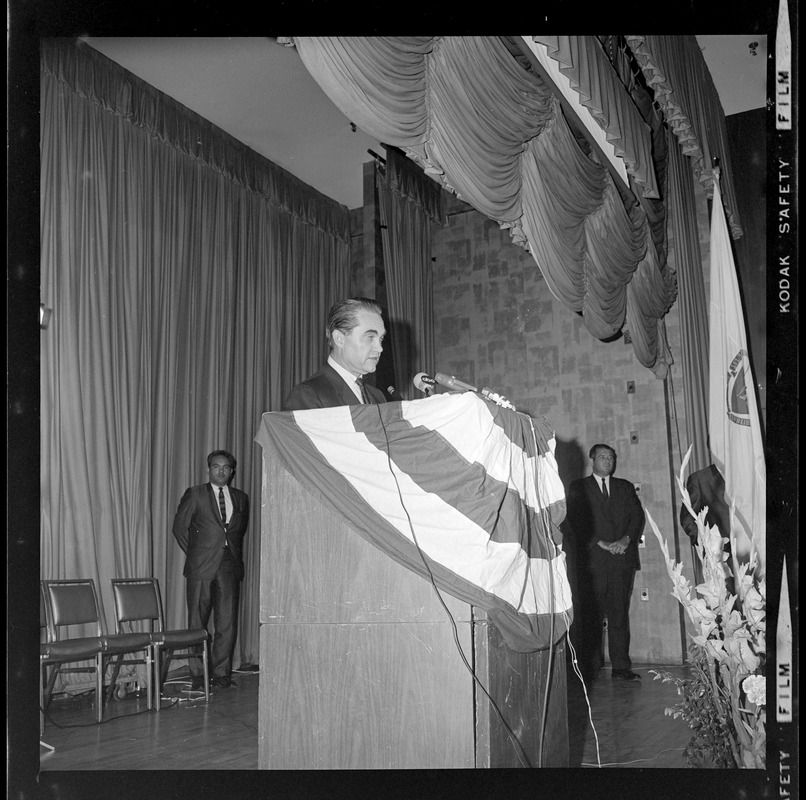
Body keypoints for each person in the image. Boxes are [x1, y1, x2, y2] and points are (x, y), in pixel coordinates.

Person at [565, 444, 644, 683]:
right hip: (593, 562)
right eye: (602, 457)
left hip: (622, 560)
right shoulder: (579, 487)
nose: (608, 461)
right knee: (592, 615)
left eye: (611, 457)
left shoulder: (625, 487)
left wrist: (625, 540)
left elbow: (637, 516)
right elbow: (575, 519)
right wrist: (600, 542)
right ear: (592, 460)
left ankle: (621, 667)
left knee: (619, 615)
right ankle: (590, 667)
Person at [172, 450, 250, 690]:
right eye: (216, 466)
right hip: (201, 568)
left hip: (229, 566)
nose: (221, 471)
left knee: (227, 623)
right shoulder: (195, 494)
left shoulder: (240, 498)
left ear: (232, 471)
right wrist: (197, 554)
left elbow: (237, 532)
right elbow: (179, 528)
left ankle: (221, 675)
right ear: (209, 469)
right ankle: (199, 676)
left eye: (226, 467)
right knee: (198, 623)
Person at [283, 297, 388, 411]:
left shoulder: (377, 396)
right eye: (370, 337)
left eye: (381, 338)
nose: (380, 348)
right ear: (339, 339)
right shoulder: (308, 394)